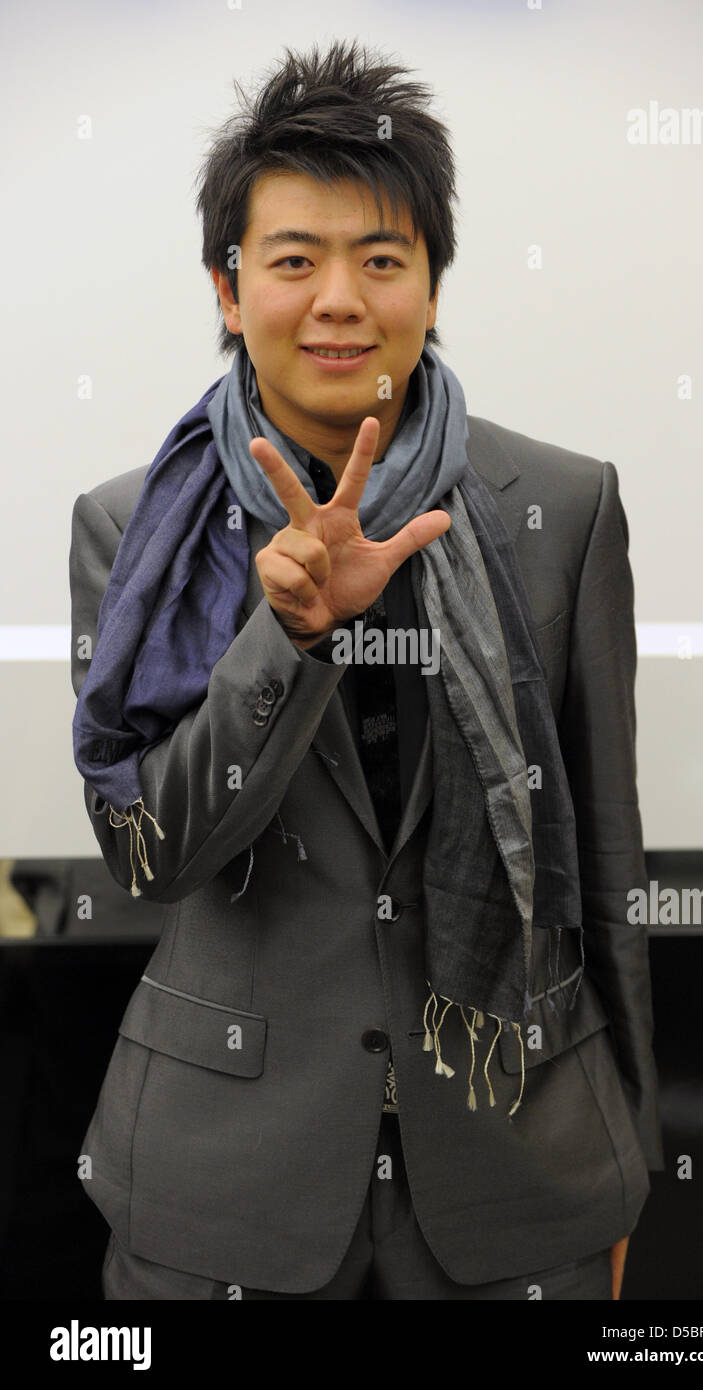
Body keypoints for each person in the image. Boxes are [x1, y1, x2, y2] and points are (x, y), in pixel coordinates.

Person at [69, 38, 664, 1301]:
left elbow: (604, 868)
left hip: (522, 1171)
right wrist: (280, 638)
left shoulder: (561, 505)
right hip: (223, 1186)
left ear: (432, 285)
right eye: (294, 260)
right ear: (229, 291)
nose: (339, 298)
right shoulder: (133, 529)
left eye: (382, 259)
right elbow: (144, 855)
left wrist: (629, 1152)